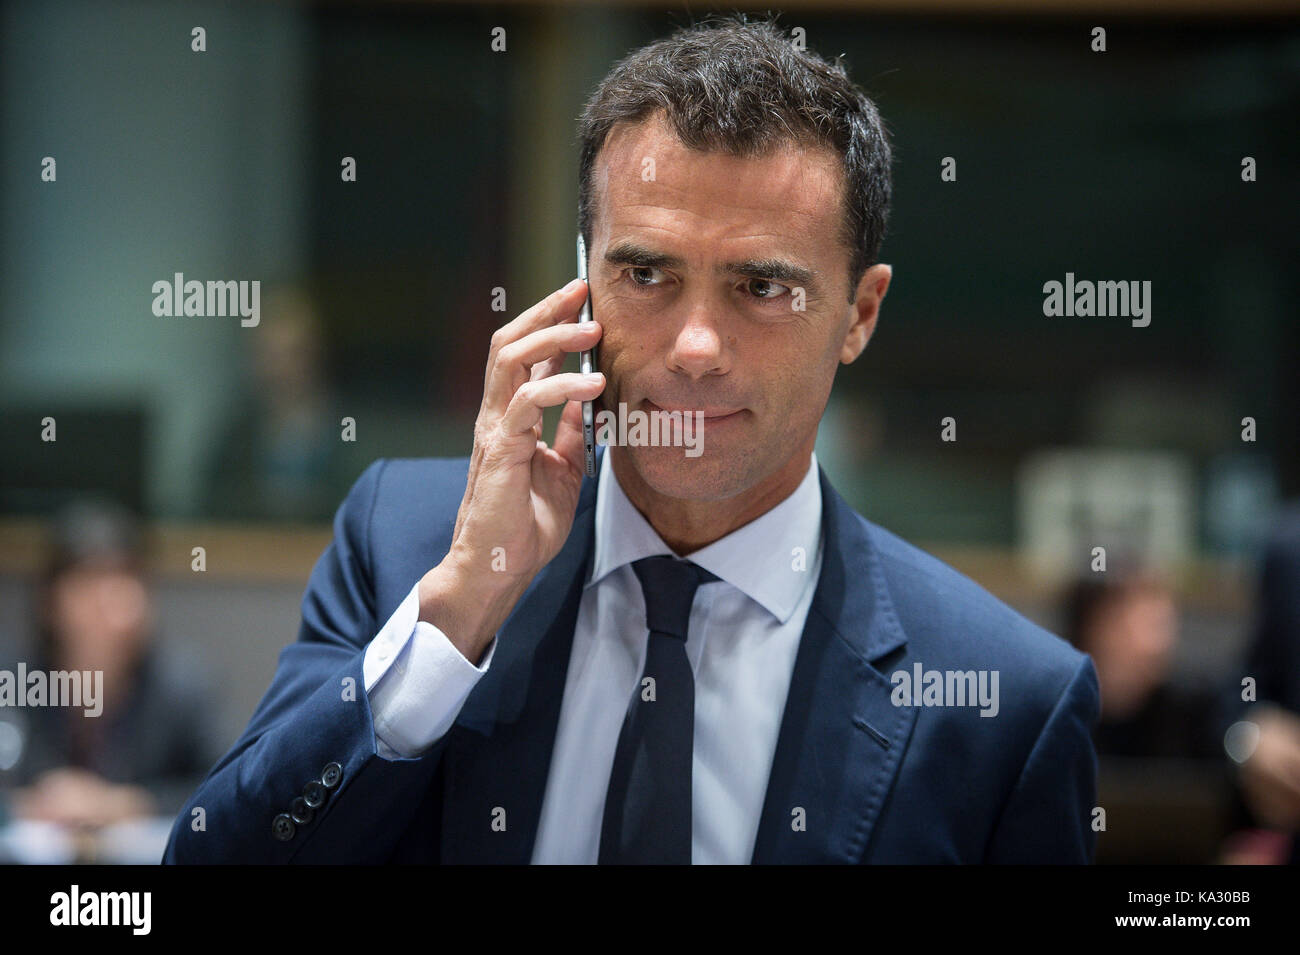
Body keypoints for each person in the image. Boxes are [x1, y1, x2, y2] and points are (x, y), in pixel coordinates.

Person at [163, 14, 1099, 865]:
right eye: (646, 272)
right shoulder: (405, 543)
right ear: (581, 286)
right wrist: (460, 613)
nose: (694, 348)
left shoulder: (1006, 701)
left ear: (859, 312)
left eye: (762, 288)